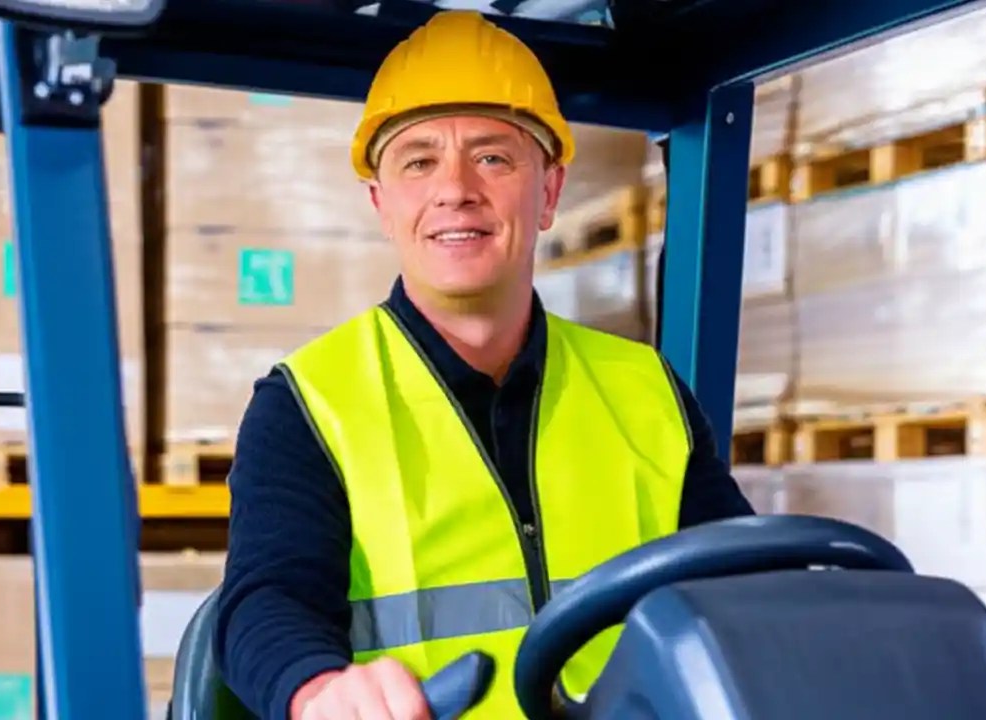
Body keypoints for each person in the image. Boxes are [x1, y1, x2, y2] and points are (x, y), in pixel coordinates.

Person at [212, 10, 755, 719]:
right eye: (419, 160)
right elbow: (266, 599)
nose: (455, 188)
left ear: (550, 193)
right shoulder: (311, 403)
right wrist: (320, 689)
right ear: (382, 203)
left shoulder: (645, 390)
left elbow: (747, 583)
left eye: (493, 157)